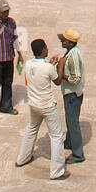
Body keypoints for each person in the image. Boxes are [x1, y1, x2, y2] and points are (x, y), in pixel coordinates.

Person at [15, 40, 68, 180]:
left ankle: (22, 158)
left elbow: (42, 71)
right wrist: (60, 65)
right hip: (47, 106)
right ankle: (57, 171)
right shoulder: (48, 68)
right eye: (46, 46)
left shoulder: (28, 64)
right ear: (43, 49)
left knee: (31, 129)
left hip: (33, 104)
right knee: (56, 136)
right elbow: (57, 81)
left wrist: (51, 64)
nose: (47, 48)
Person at [58, 29, 85, 163]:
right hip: (72, 93)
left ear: (70, 43)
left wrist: (63, 76)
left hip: (72, 94)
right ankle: (69, 142)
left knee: (73, 122)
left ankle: (78, 153)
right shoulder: (73, 52)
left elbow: (76, 78)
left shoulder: (73, 56)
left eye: (63, 40)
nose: (61, 42)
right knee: (70, 119)